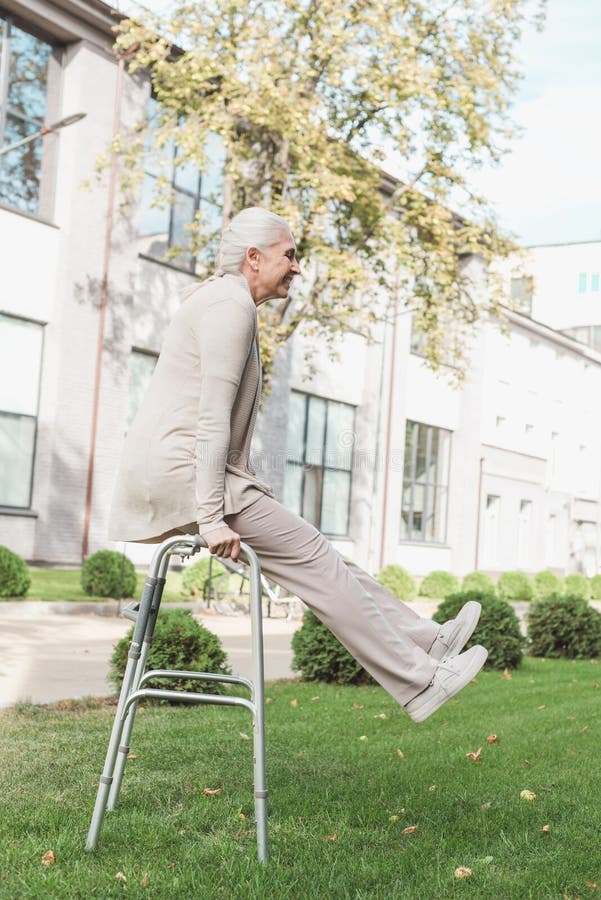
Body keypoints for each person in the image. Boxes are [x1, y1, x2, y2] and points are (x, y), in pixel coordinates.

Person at [108, 206, 487, 723]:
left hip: (184, 471)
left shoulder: (227, 300)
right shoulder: (229, 306)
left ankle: (429, 641)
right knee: (319, 562)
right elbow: (212, 419)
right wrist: (212, 515)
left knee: (325, 559)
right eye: (290, 256)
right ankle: (419, 681)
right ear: (254, 257)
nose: (297, 267)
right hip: (183, 474)